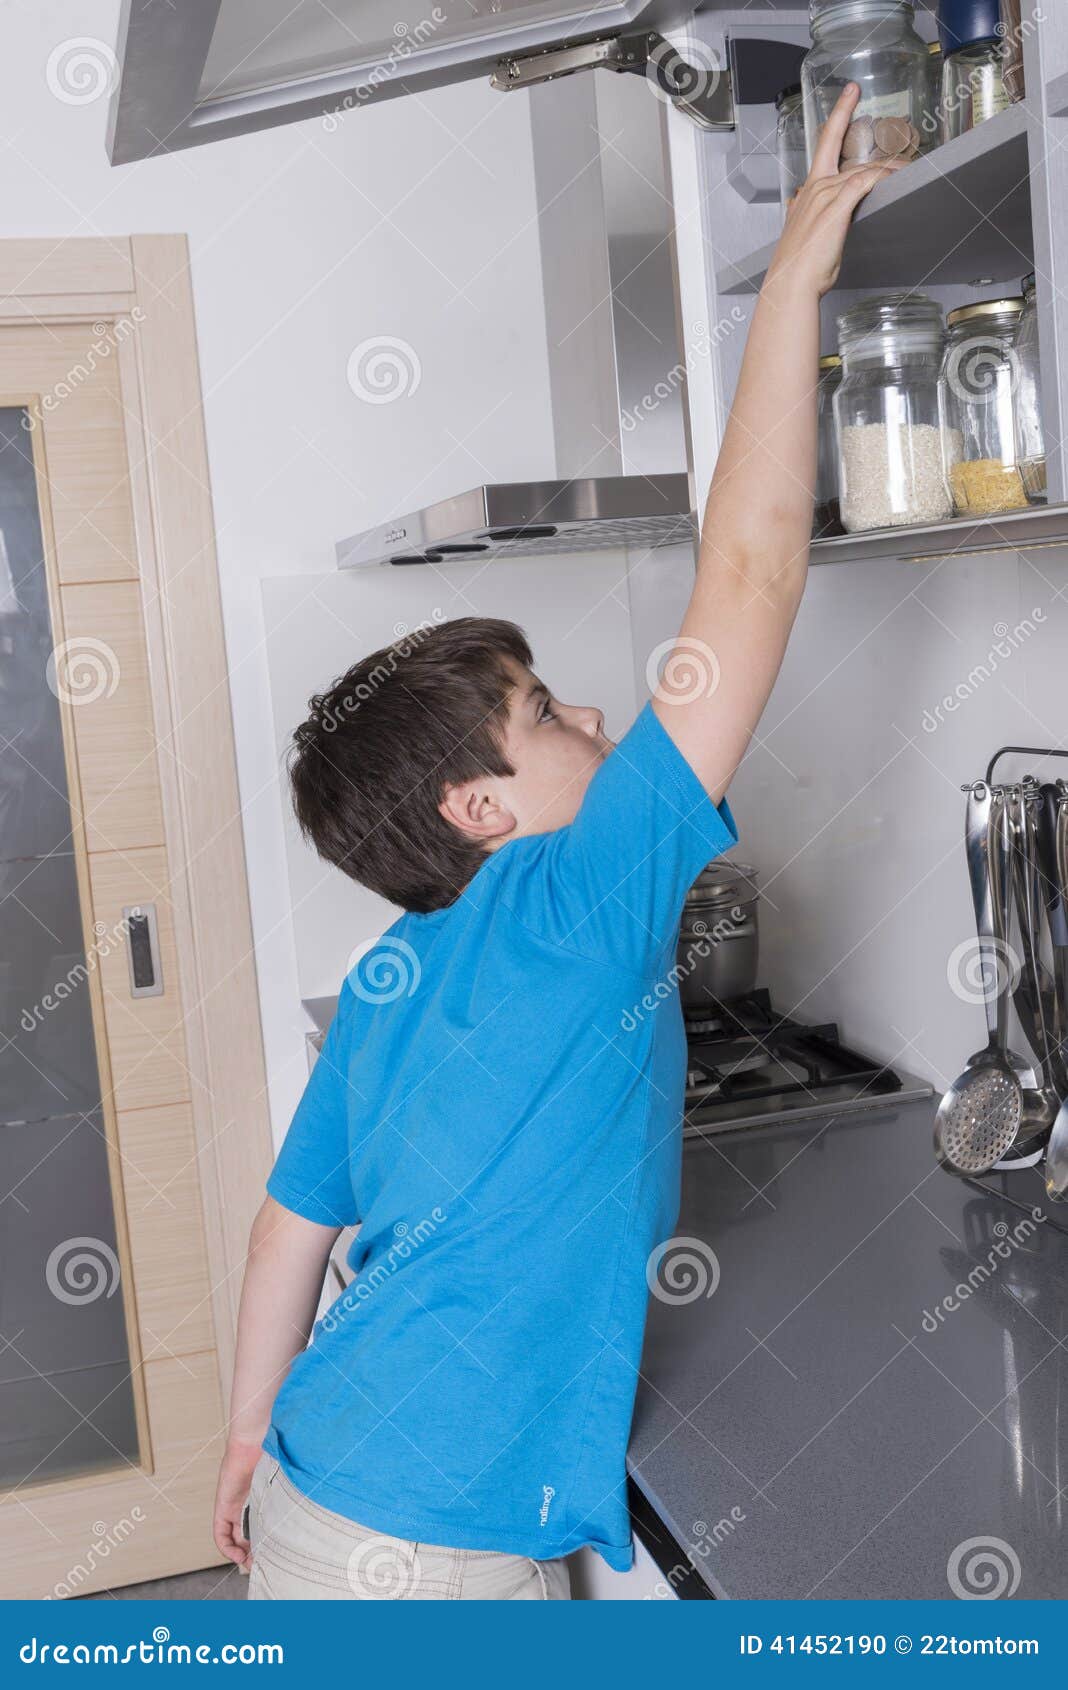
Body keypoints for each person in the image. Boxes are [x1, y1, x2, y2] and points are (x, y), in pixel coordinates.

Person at [213, 86, 890, 1601]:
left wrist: (249, 1434)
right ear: (483, 809)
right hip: (434, 1556)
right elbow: (755, 571)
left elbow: (285, 1232)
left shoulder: (394, 969)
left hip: (324, 1485)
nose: (593, 708)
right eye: (541, 711)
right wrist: (787, 281)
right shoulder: (580, 899)